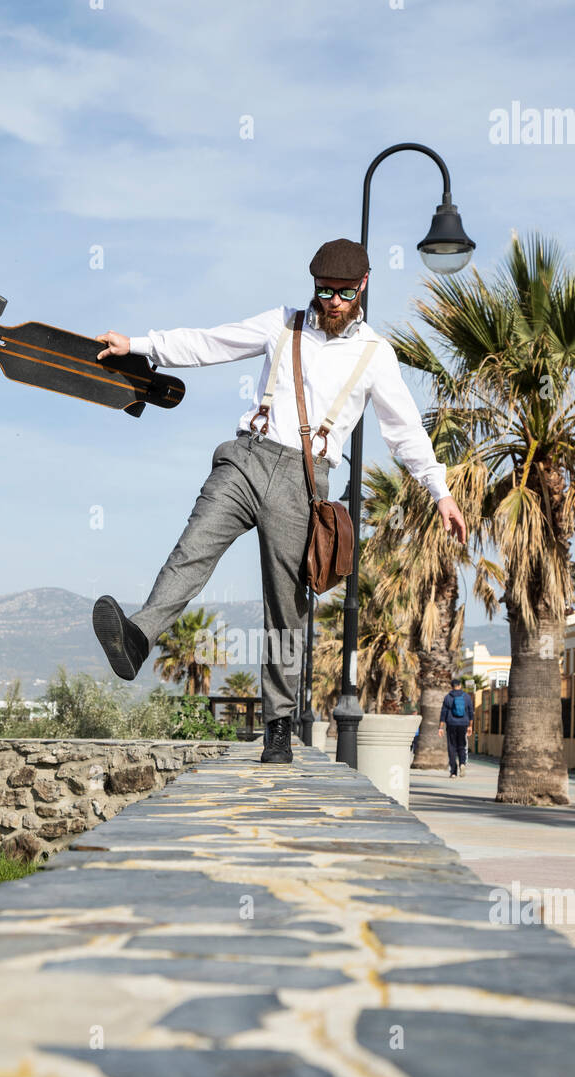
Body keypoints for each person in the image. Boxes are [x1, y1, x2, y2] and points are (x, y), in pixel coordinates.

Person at [92, 238, 467, 765]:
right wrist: (140, 344)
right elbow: (211, 343)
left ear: (363, 287)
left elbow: (404, 431)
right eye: (323, 291)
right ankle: (138, 637)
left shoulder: (376, 355)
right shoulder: (282, 323)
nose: (332, 301)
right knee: (192, 549)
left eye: (343, 293)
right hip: (247, 457)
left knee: (285, 609)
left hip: (305, 482)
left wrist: (440, 491)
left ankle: (277, 725)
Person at [438, 677, 474, 778]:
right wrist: (470, 726)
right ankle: (462, 763)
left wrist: (440, 728)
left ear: (452, 687)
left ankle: (453, 772)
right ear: (460, 686)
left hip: (451, 724)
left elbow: (443, 713)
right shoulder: (466, 697)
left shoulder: (448, 697)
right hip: (463, 724)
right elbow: (471, 712)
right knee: (461, 745)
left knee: (452, 747)